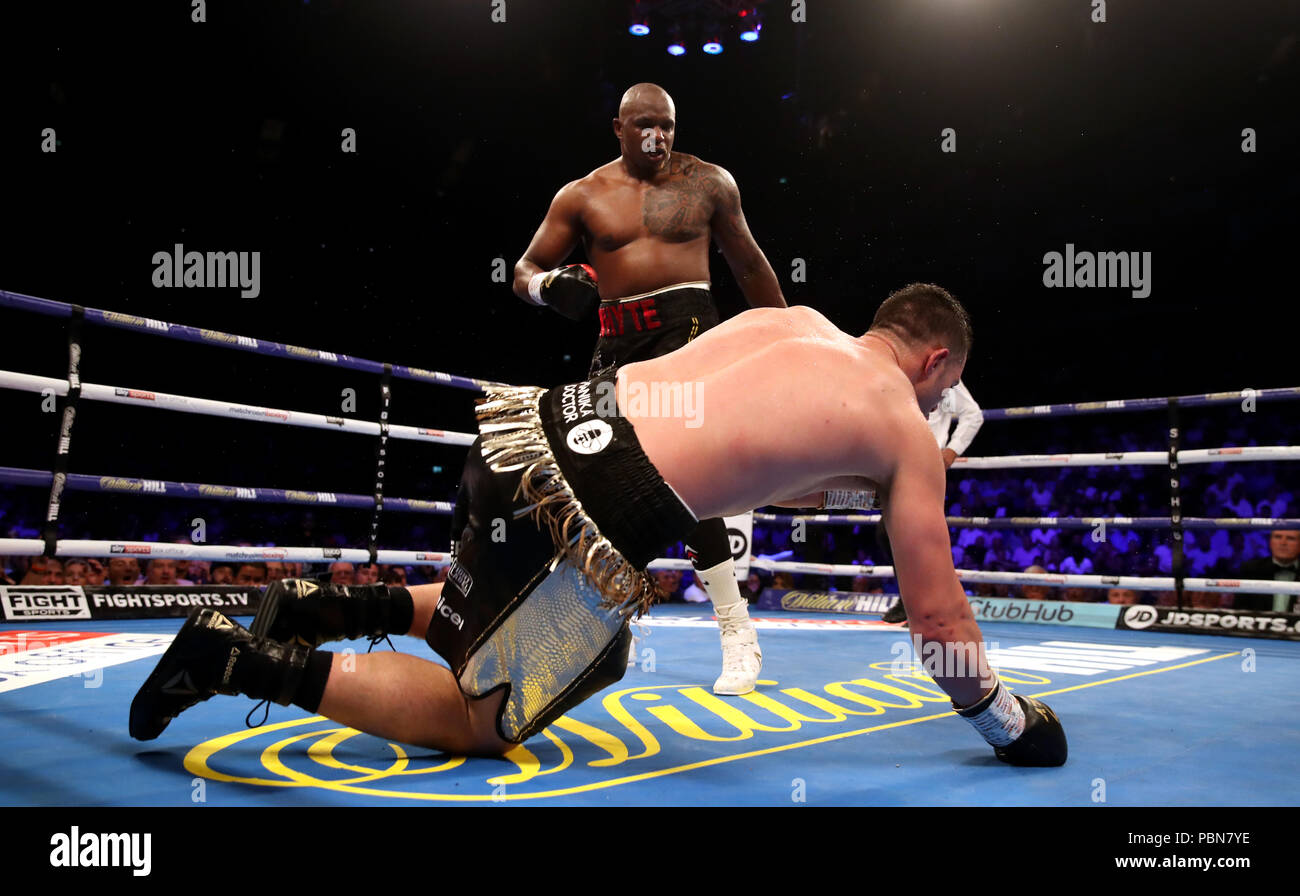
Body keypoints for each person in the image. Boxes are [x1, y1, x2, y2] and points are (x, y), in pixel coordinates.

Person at [132, 284, 1066, 767]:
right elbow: (939, 626)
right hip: (593, 511)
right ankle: (235, 662)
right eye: (945, 387)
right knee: (487, 716)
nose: (940, 402)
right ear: (936, 360)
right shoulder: (904, 424)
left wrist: (884, 481)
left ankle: (316, 609)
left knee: (597, 646)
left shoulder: (801, 322)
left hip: (531, 435)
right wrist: (1004, 722)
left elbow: (767, 463)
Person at [511, 82, 787, 697]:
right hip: (615, 347)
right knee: (592, 480)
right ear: (618, 127)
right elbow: (522, 271)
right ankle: (584, 630)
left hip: (690, 337)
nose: (656, 138)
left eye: (665, 125)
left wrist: (788, 337)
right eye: (643, 126)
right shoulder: (581, 196)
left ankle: (736, 630)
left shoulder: (708, 183)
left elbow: (748, 263)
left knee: (692, 478)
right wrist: (550, 287)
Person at [881, 379, 984, 623]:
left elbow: (973, 414)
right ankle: (914, 601)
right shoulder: (893, 377)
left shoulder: (945, 378)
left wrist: (952, 450)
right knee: (890, 534)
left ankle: (925, 604)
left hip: (926, 464)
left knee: (915, 534)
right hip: (896, 464)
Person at [1233, 528, 1300, 612]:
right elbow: (1240, 608)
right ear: (1270, 542)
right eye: (1278, 537)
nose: (1283, 543)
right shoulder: (1251, 569)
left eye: (1290, 538)